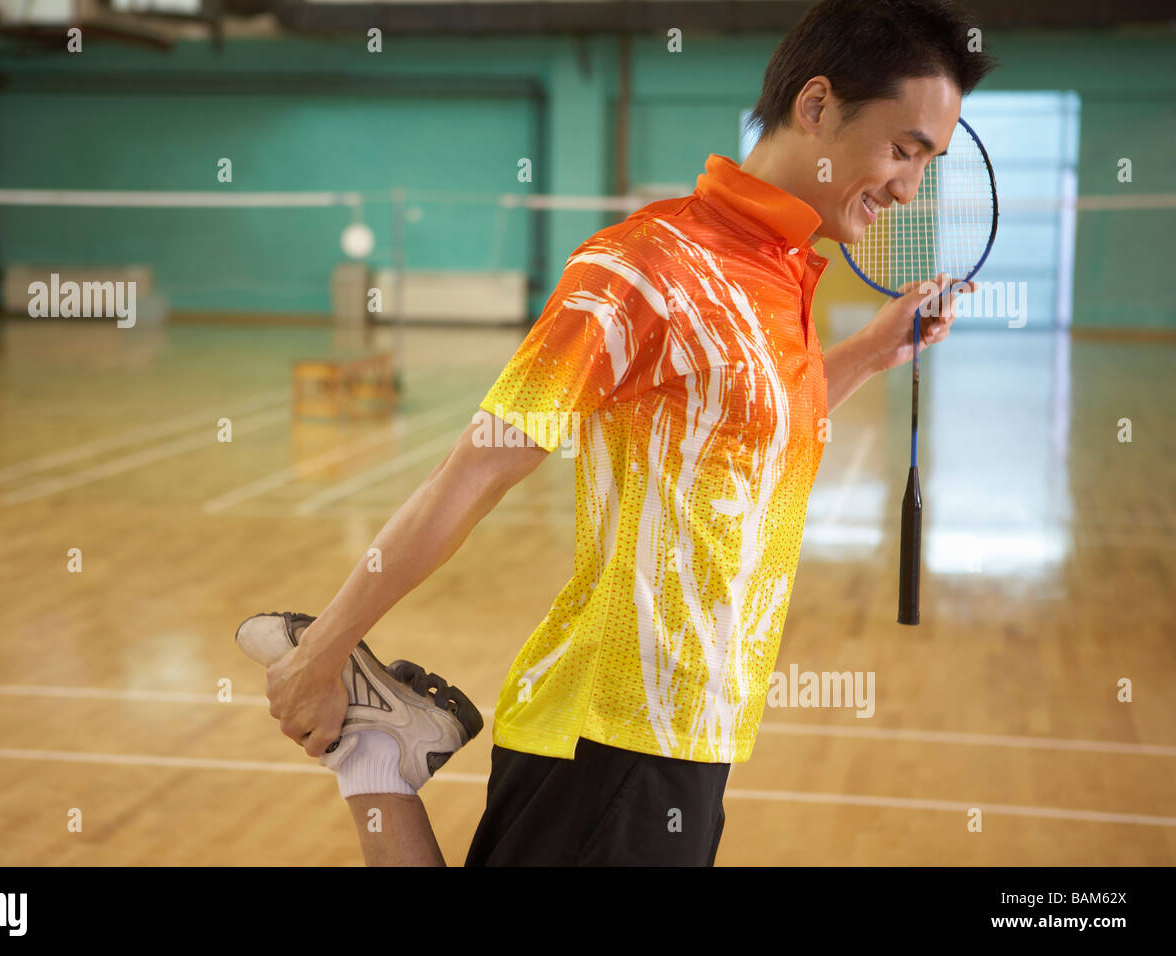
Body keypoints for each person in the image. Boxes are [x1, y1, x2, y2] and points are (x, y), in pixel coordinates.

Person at [246, 0, 996, 866]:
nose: (909, 187)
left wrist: (866, 354)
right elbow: (476, 470)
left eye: (927, 162)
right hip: (610, 732)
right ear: (818, 106)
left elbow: (738, 447)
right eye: (904, 150)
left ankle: (374, 756)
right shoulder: (644, 265)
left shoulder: (782, 271)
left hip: (698, 730)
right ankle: (368, 755)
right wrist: (325, 651)